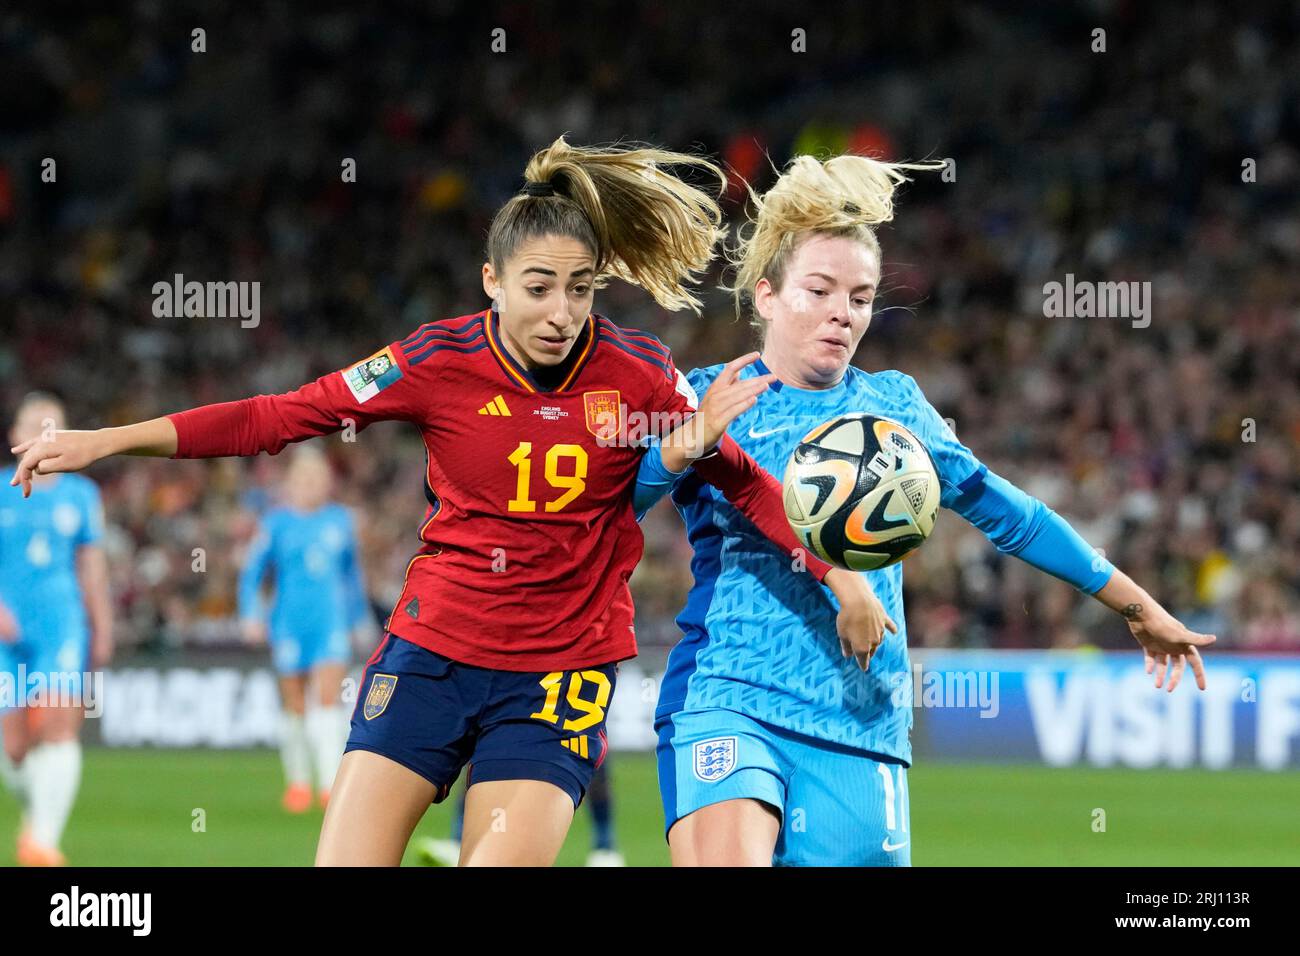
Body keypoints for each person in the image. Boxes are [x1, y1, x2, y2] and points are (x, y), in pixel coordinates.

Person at [10, 137, 882, 866]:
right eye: (538, 286)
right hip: (428, 657)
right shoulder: (436, 360)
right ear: (491, 282)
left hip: (557, 681)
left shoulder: (640, 374)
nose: (560, 311)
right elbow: (278, 416)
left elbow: (747, 487)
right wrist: (107, 441)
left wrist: (841, 578)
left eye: (580, 289)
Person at [634, 153, 1217, 866]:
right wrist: (678, 447)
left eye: (861, 296)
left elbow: (1011, 516)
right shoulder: (708, 394)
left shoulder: (894, 406)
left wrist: (1135, 606)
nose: (842, 314)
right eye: (818, 291)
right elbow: (621, 504)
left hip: (861, 713)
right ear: (766, 297)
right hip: (731, 690)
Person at [0, 391, 113, 866]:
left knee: (60, 726)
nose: (45, 435)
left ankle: (42, 842)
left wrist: (103, 625)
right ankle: (37, 818)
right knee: (15, 750)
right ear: (15, 437)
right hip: (6, 632)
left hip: (62, 626)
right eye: (36, 425)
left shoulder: (83, 496)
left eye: (54, 427)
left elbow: (92, 566)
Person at [238, 445, 371, 812]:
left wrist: (359, 619)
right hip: (288, 622)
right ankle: (298, 783)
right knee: (295, 705)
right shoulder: (275, 524)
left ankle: (329, 784)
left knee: (327, 701)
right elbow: (252, 573)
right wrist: (250, 613)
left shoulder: (340, 521)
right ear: (291, 482)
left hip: (330, 622)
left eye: (317, 479)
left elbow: (351, 574)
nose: (310, 485)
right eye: (304, 478)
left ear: (327, 483)